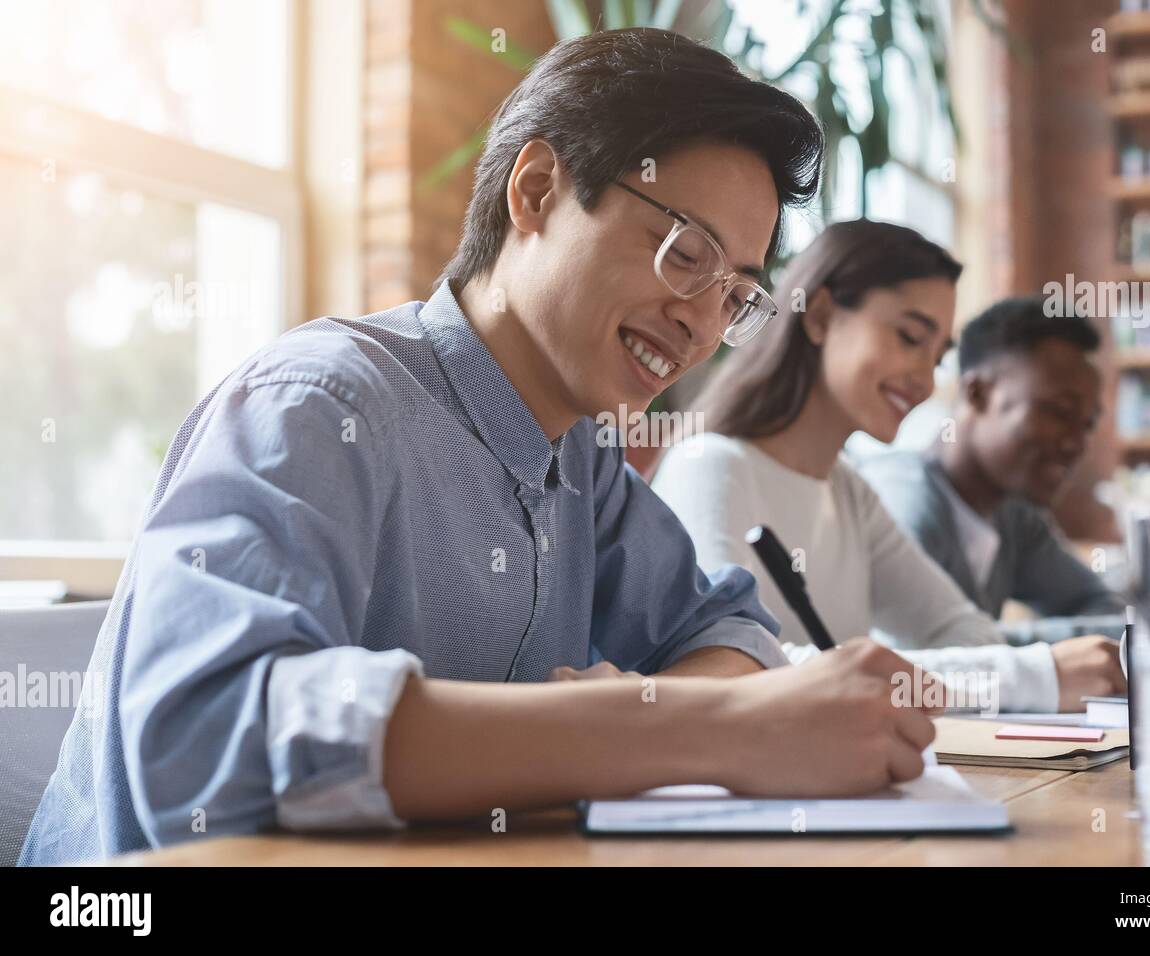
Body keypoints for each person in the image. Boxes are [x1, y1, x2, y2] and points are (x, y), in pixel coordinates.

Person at [21, 29, 941, 865]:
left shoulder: (579, 461)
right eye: (686, 254)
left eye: (737, 293)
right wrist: (685, 727)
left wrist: (674, 713)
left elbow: (729, 629)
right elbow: (206, 744)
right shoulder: (320, 403)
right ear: (536, 190)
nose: (701, 323)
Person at [652, 222, 1125, 714]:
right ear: (820, 316)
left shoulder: (849, 492)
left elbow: (959, 629)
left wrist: (1007, 674)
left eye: (937, 356)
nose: (923, 379)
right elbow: (739, 668)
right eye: (909, 337)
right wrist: (1032, 677)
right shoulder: (711, 468)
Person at [858, 296, 1126, 624]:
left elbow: (1100, 606)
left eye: (1087, 424)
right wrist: (1043, 657)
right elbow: (915, 662)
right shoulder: (904, 505)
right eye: (1058, 412)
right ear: (978, 394)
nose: (1076, 443)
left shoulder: (1013, 515)